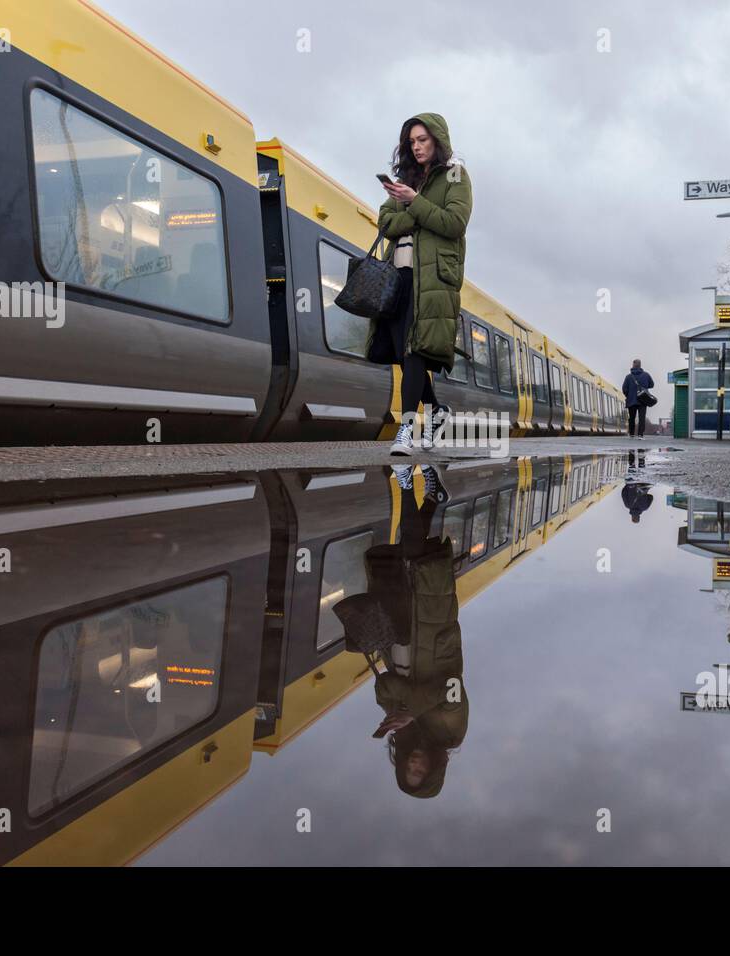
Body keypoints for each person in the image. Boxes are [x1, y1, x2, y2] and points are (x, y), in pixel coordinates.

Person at [333, 464, 468, 797]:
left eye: (409, 768)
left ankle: (432, 495)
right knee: (414, 554)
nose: (415, 764)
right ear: (435, 768)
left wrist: (401, 707)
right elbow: (451, 687)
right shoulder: (451, 732)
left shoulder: (402, 729)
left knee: (404, 557)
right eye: (421, 771)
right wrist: (410, 711)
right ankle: (405, 478)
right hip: (432, 624)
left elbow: (384, 688)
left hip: (397, 636)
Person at [366, 113, 473, 456]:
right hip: (398, 279)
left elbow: (454, 223)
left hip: (431, 280)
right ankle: (438, 409)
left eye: (423, 140)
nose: (417, 147)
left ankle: (407, 429)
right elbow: (386, 220)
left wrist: (413, 202)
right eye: (411, 142)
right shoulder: (405, 179)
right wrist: (412, 204)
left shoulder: (455, 174)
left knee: (414, 352)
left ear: (438, 139)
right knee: (404, 353)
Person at [622, 359, 655, 438]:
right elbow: (652, 385)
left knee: (632, 418)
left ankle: (632, 434)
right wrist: (645, 388)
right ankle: (640, 434)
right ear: (640, 365)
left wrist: (629, 395)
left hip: (631, 401)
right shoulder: (646, 375)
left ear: (633, 365)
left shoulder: (628, 377)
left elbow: (624, 389)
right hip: (643, 400)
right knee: (642, 418)